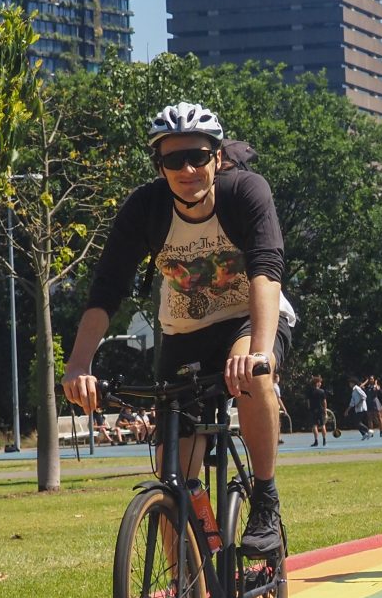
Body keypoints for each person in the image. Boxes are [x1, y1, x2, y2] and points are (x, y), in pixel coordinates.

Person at [61, 100, 291, 556]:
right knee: (173, 481)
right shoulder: (145, 209)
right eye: (174, 160)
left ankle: (265, 499)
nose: (187, 169)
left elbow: (266, 270)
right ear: (159, 166)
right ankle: (184, 591)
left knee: (249, 374)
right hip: (185, 333)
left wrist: (260, 352)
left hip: (250, 318)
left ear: (217, 158)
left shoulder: (246, 192)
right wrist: (78, 365)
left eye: (197, 157)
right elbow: (107, 290)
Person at [308, 375, 331, 447]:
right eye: (320, 382)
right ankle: (324, 440)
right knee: (323, 425)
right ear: (317, 383)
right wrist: (325, 411)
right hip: (321, 410)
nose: (320, 383)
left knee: (314, 425)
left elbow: (308, 402)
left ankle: (316, 441)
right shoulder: (321, 391)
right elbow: (324, 402)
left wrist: (310, 409)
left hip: (313, 410)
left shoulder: (310, 392)